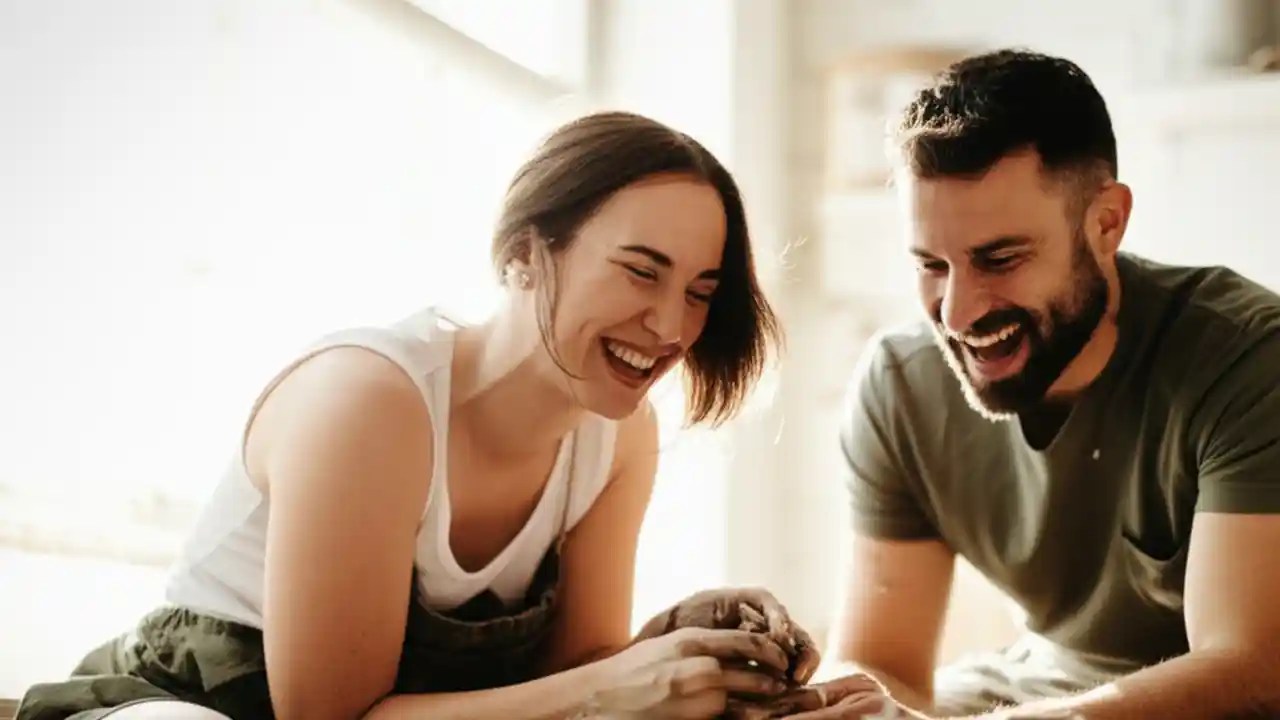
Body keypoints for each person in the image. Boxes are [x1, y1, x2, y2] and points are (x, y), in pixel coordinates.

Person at [16, 110, 821, 720]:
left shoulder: (618, 435)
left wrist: (677, 649)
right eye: (641, 273)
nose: (673, 327)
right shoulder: (369, 399)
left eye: (700, 294)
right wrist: (618, 684)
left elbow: (569, 688)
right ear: (523, 256)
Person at [800, 49, 1280, 719]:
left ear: (1107, 223)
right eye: (931, 265)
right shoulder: (900, 385)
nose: (958, 313)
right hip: (1035, 692)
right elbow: (883, 668)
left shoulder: (1248, 357)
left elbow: (1250, 674)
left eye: (1000, 259)